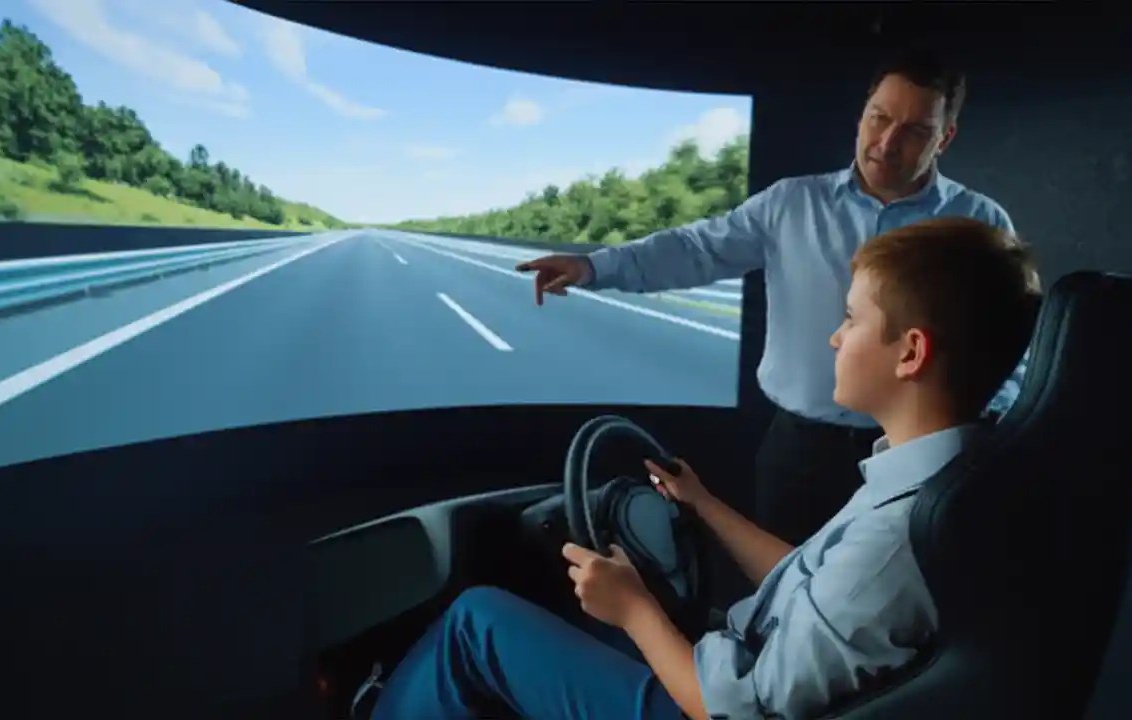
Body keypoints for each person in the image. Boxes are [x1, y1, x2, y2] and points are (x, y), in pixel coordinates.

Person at [368, 217, 1042, 720]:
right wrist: (705, 506)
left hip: (710, 705)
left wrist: (633, 610)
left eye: (850, 318)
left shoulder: (894, 539)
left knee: (477, 621)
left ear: (910, 353)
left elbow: (730, 707)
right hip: (740, 658)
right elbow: (805, 581)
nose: (835, 337)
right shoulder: (935, 483)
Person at [515, 48, 1027, 546]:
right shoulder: (790, 203)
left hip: (918, 461)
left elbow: (1008, 347)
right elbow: (694, 249)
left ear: (946, 137)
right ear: (862, 113)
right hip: (799, 451)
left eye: (915, 130)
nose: (887, 143)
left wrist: (974, 445)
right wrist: (592, 266)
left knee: (891, 614)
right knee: (777, 597)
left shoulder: (978, 224)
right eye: (879, 118)